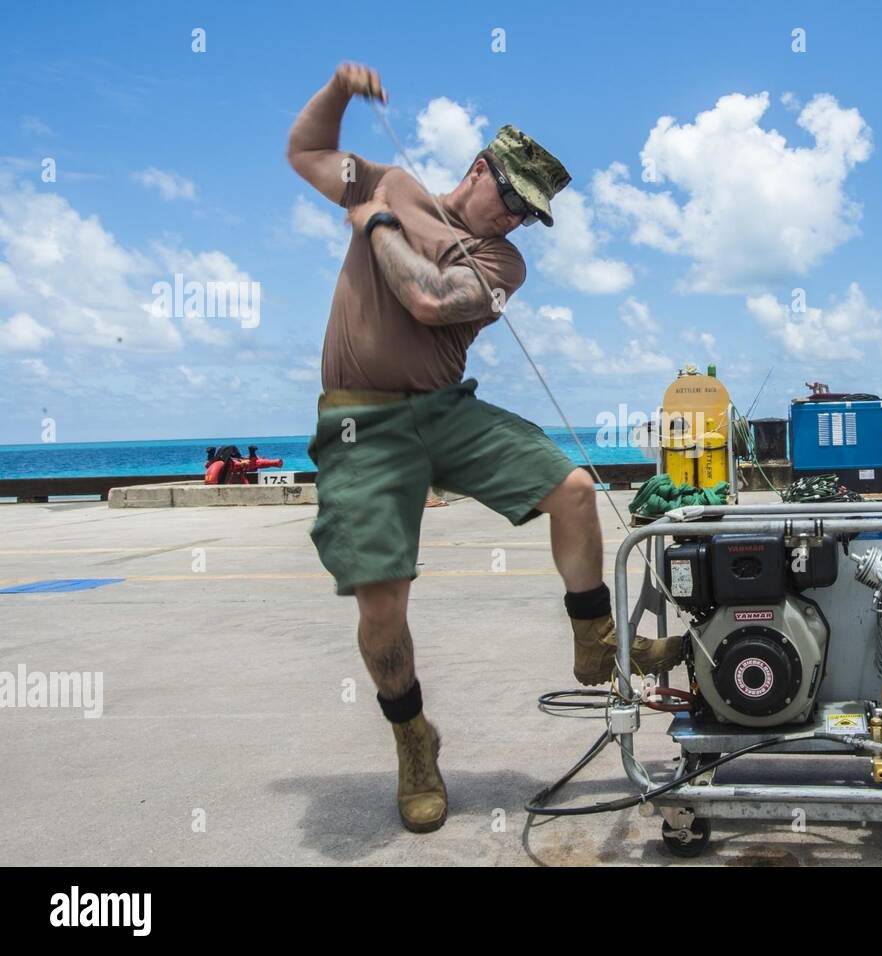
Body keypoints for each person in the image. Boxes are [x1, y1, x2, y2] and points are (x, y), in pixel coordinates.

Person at [286, 63, 682, 833]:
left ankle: (594, 642)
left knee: (571, 490)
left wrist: (372, 223)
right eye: (512, 201)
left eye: (531, 215)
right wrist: (337, 93)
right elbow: (306, 152)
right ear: (478, 169)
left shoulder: (503, 263)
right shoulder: (392, 181)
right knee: (381, 600)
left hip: (446, 410)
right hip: (362, 421)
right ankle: (413, 738)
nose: (515, 220)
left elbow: (429, 301)